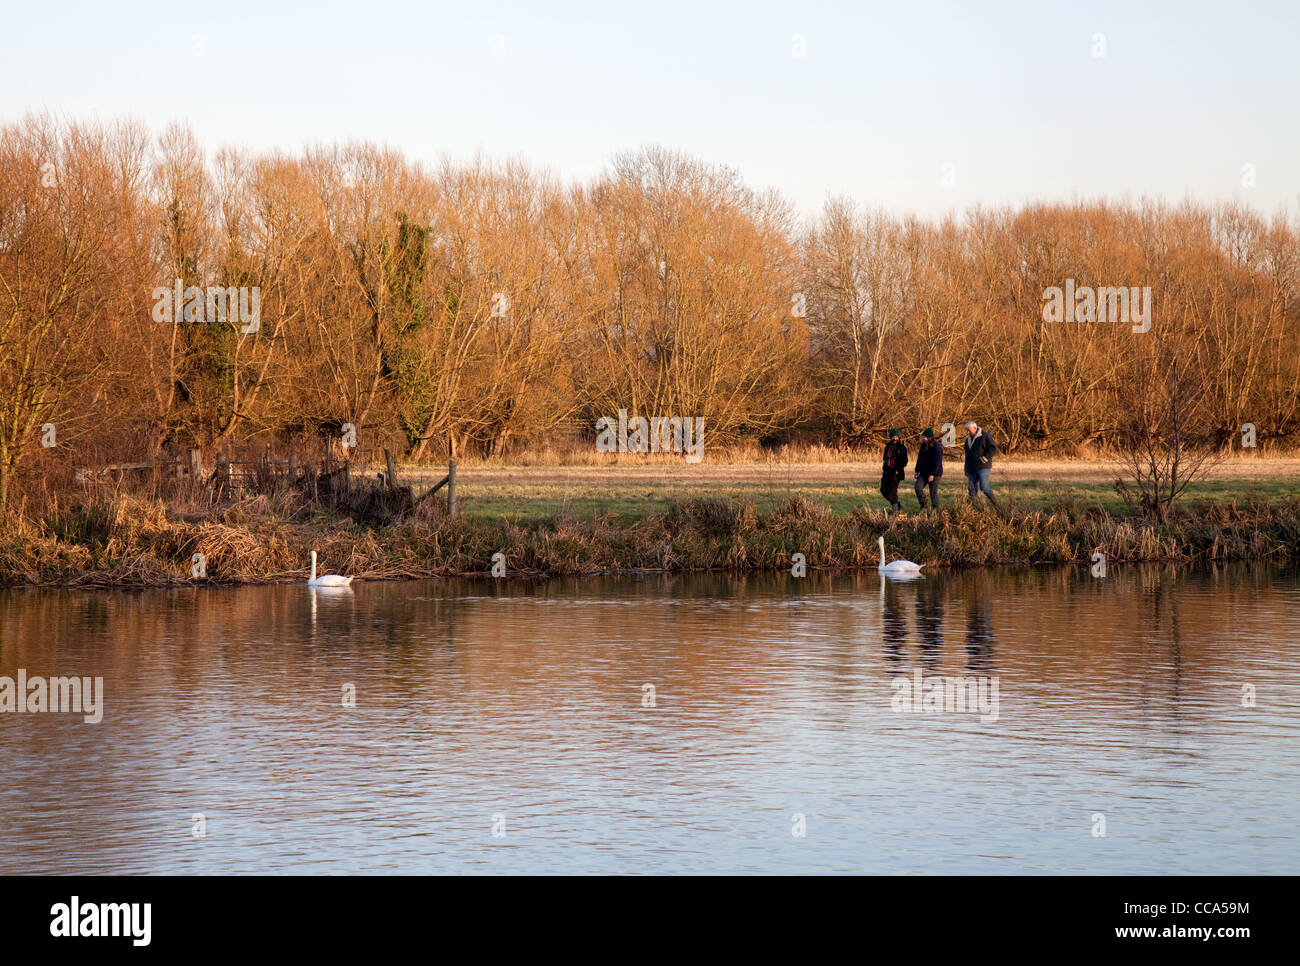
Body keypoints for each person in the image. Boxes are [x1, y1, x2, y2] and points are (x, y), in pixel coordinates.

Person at [963, 421, 999, 508]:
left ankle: (997, 505)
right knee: (971, 490)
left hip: (983, 467)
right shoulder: (968, 439)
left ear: (975, 428)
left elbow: (993, 448)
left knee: (984, 487)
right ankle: (975, 509)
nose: (967, 432)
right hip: (971, 468)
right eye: (966, 430)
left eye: (969, 430)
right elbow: (967, 455)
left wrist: (985, 458)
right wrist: (966, 468)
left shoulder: (985, 435)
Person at [913, 427, 943, 509]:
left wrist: (932, 474)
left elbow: (937, 462)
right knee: (918, 487)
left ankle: (936, 510)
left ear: (930, 437)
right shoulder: (923, 446)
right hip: (924, 472)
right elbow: (919, 459)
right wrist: (917, 470)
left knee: (933, 492)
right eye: (923, 437)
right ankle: (924, 505)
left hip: (935, 473)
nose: (923, 439)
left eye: (925, 437)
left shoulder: (937, 447)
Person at [880, 428, 908, 511]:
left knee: (893, 491)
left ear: (899, 437)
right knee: (883, 490)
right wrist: (884, 468)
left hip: (896, 472)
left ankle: (896, 510)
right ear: (891, 437)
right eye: (893, 437)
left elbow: (905, 461)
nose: (895, 438)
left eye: (896, 437)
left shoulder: (902, 448)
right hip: (887, 472)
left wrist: (897, 470)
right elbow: (885, 458)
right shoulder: (888, 446)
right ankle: (896, 504)